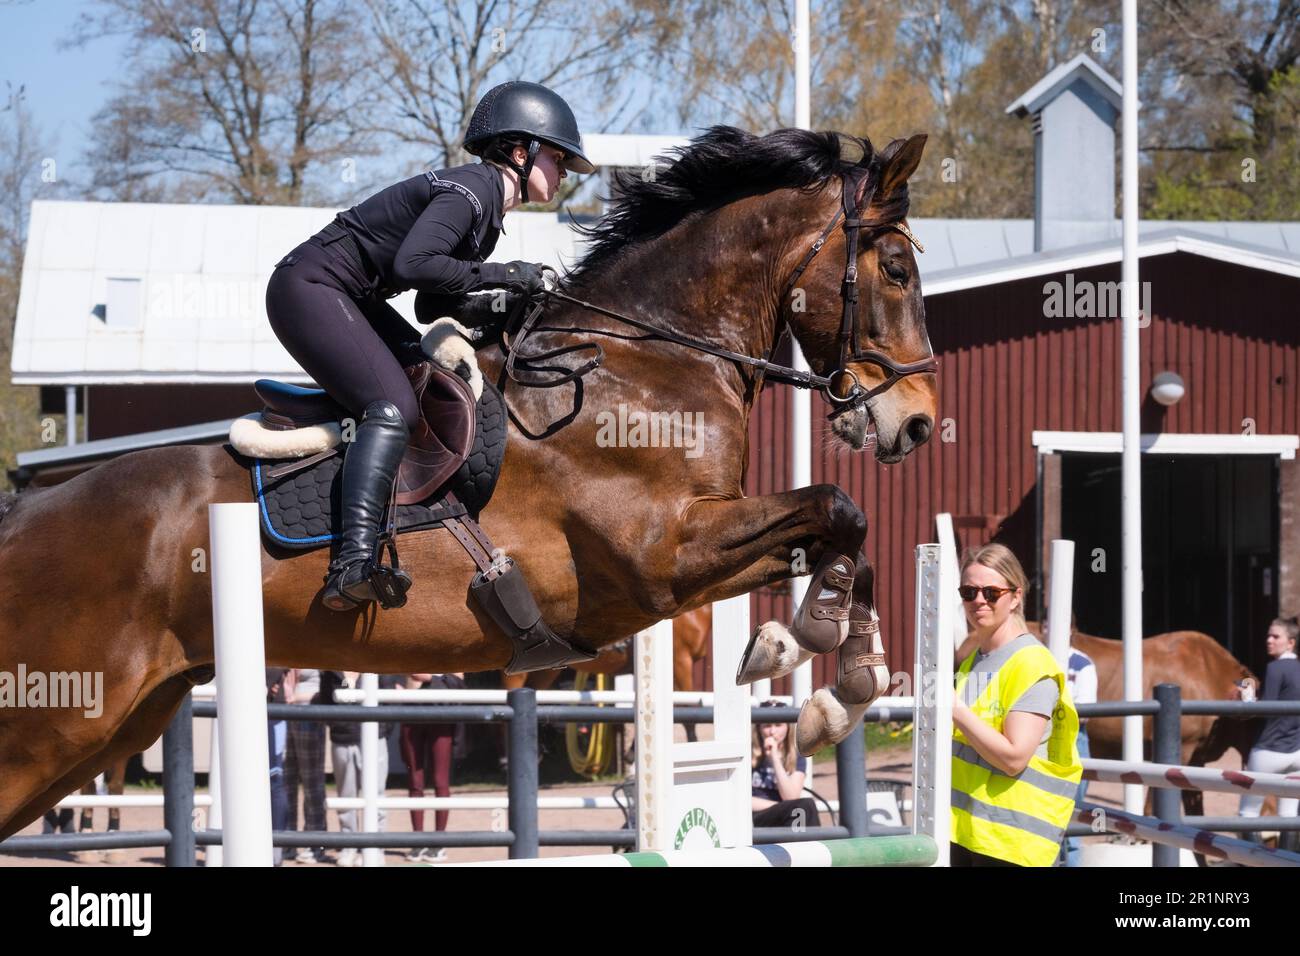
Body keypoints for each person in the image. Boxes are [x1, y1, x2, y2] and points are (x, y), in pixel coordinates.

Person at [264, 80, 593, 613]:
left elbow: (427, 305)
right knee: (390, 408)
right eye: (556, 158)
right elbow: (413, 267)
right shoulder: (470, 192)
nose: (562, 173)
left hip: (347, 294)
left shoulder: (486, 209)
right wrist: (505, 272)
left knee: (428, 378)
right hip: (310, 289)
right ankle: (352, 564)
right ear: (519, 151)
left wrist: (507, 301)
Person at [951, 544, 1082, 867]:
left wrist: (954, 710)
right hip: (970, 833)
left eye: (991, 592)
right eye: (968, 592)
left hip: (1012, 843)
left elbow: (1014, 758)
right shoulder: (973, 661)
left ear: (1016, 596)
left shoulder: (1031, 663)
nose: (978, 600)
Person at [1236, 616, 1300, 849]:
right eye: (1268, 635)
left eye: (1275, 636)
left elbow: (1267, 708)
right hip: (1296, 753)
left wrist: (1247, 696)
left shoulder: (1275, 668)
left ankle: (1251, 863)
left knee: (1247, 813)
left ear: (1290, 642)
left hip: (1268, 751)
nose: (1269, 640)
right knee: (1289, 815)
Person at [401, 672, 466, 862]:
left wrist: (430, 678)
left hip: (440, 714)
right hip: (411, 713)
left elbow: (459, 681)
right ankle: (417, 840)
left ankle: (438, 841)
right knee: (415, 780)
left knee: (440, 780)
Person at [751, 700, 821, 830]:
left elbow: (791, 797)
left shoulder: (796, 756)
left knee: (805, 806)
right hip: (756, 816)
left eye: (778, 725)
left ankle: (809, 848)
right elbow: (744, 801)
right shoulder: (749, 755)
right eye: (767, 725)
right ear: (759, 728)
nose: (772, 731)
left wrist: (774, 759)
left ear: (788, 727)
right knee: (802, 806)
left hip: (787, 813)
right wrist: (778, 806)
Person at [283, 668, 329, 864]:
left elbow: (326, 687)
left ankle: (315, 843)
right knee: (286, 782)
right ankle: (287, 841)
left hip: (310, 714)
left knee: (312, 783)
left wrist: (297, 696)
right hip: (286, 713)